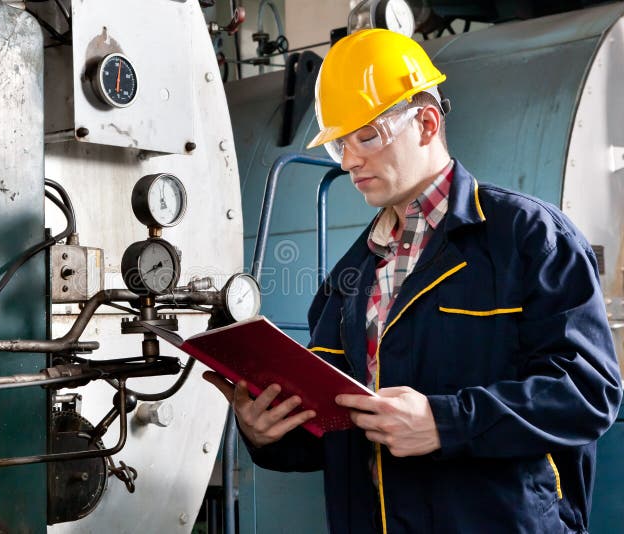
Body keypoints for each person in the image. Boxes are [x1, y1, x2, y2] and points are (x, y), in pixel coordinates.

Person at [204, 28, 622, 533]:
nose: (350, 161)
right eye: (339, 145)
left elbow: (587, 392)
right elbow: (337, 428)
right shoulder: (350, 276)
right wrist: (268, 432)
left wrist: (444, 423)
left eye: (366, 136)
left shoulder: (529, 237)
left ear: (426, 123)